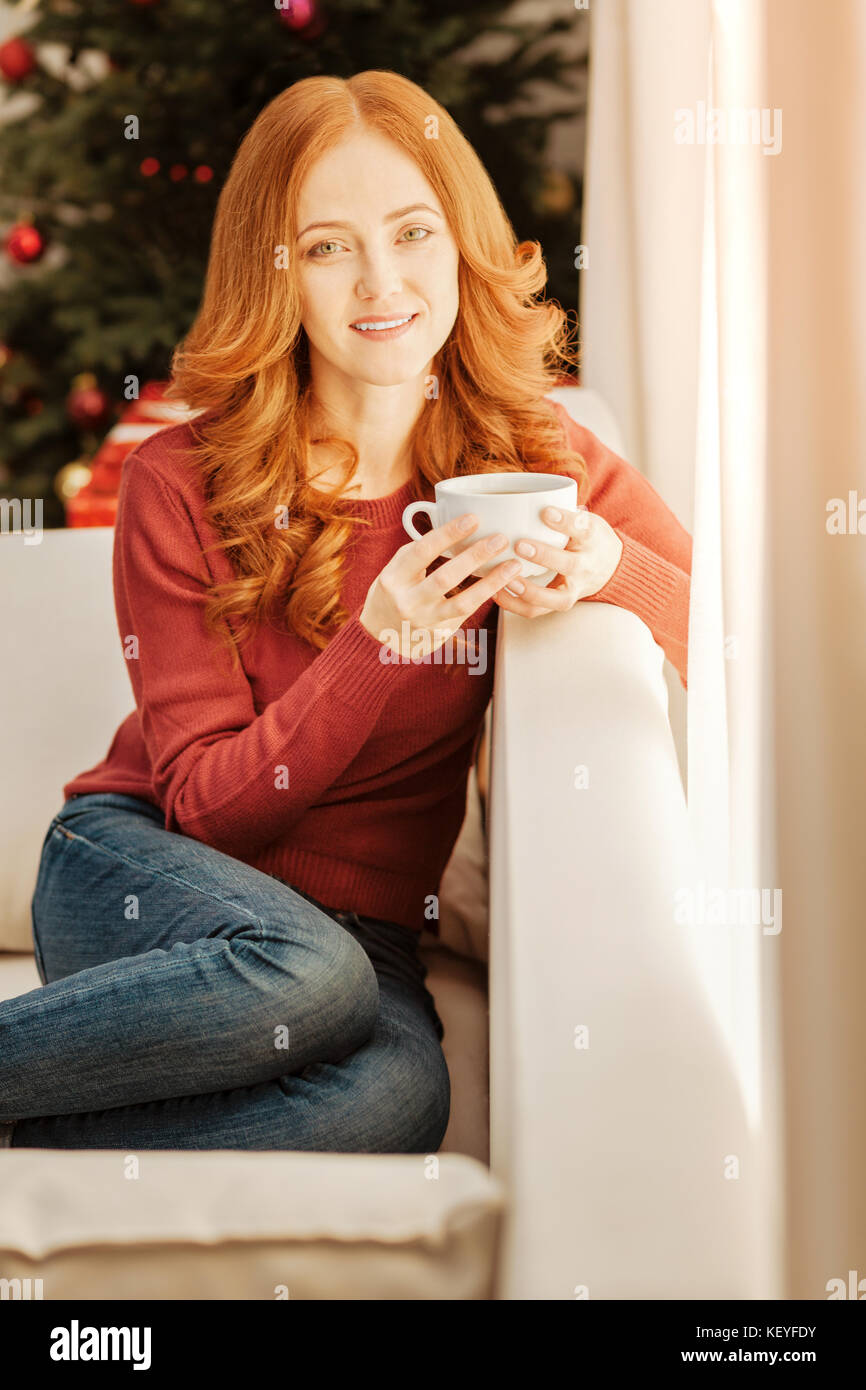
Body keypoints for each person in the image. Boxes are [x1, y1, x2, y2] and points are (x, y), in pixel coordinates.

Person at [0, 71, 690, 1152]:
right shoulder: (180, 480)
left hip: (368, 942)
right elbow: (206, 808)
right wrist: (376, 645)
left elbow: (736, 636)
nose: (382, 281)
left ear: (459, 241)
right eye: (327, 247)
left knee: (397, 1101)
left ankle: (38, 1127)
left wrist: (608, 565)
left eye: (413, 232)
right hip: (143, 873)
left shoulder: (528, 459)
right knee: (308, 974)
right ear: (273, 276)